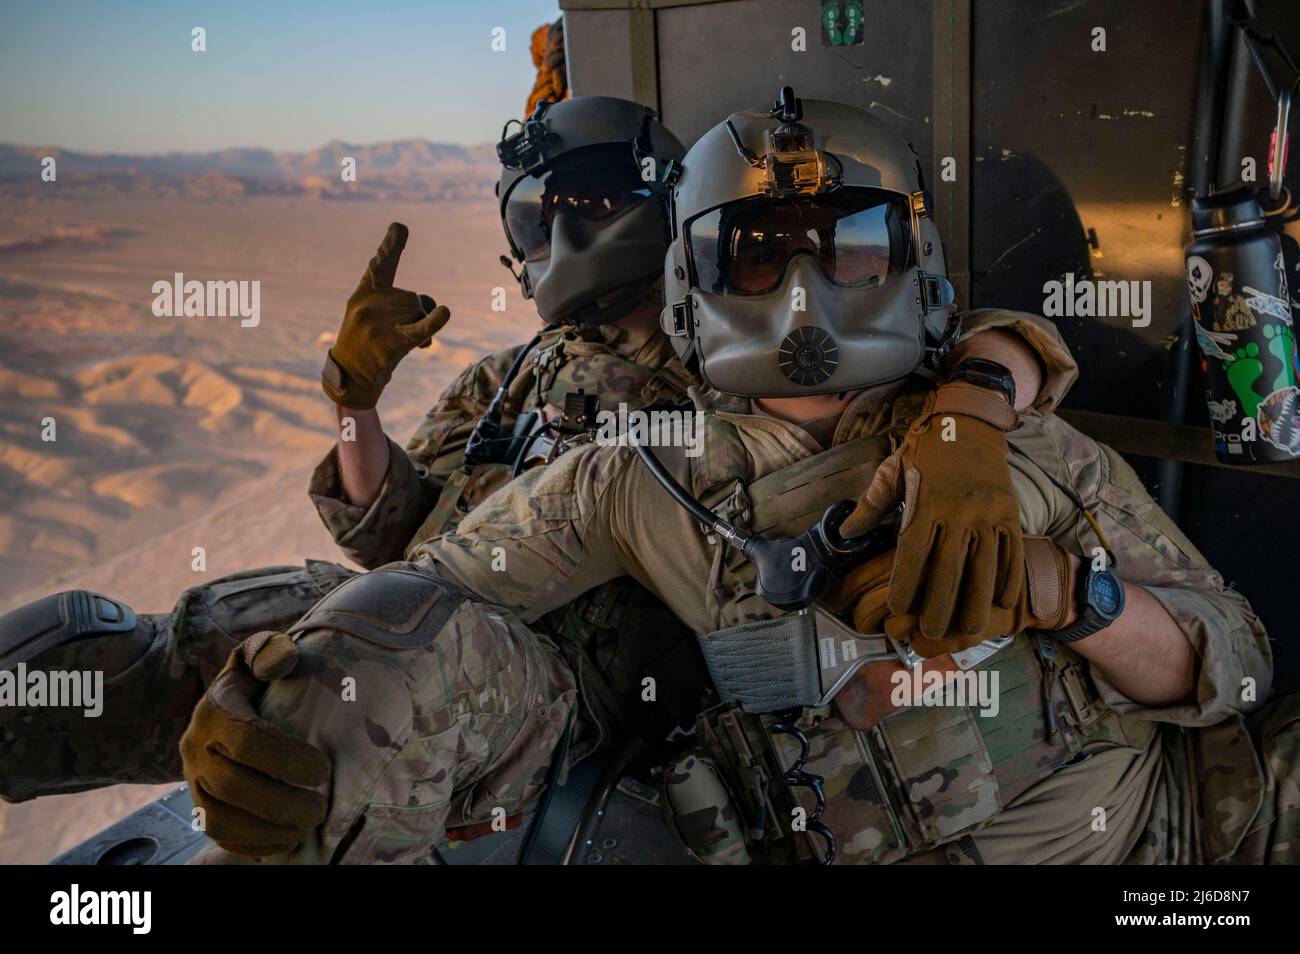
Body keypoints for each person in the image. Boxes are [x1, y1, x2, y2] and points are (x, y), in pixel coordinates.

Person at [176, 91, 1296, 866]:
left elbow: (1237, 666)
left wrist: (1073, 594)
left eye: (848, 243)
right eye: (756, 248)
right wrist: (320, 703)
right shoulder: (637, 480)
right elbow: (433, 592)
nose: (804, 280)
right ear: (690, 280)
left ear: (912, 263)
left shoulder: (1020, 448)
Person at [0, 95, 1056, 815]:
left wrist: (969, 409)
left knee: (316, 675)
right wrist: (353, 405)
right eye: (538, 219)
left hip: (585, 680)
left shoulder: (727, 347)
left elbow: (929, 331)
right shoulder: (513, 374)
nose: (555, 240)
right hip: (442, 617)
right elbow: (390, 533)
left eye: (585, 210)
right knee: (200, 637)